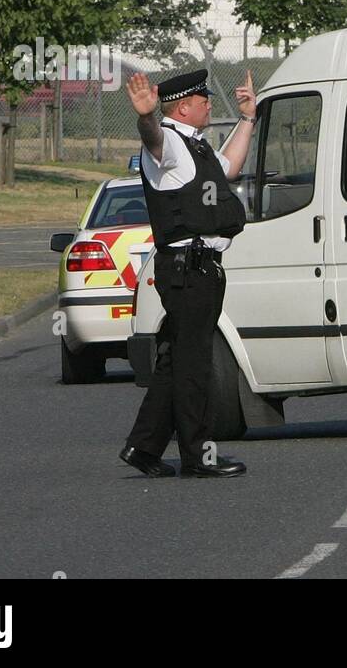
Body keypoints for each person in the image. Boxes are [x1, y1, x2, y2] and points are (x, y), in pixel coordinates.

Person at [118, 68, 258, 478]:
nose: (210, 105)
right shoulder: (169, 145)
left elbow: (228, 167)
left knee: (176, 361)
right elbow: (153, 139)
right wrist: (145, 116)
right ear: (183, 106)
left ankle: (142, 448)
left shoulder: (195, 147)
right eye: (204, 100)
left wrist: (248, 119)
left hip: (199, 269)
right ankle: (199, 455)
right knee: (195, 364)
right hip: (188, 269)